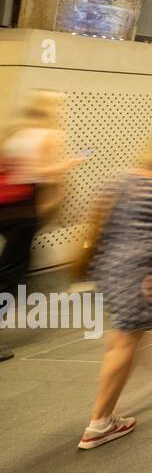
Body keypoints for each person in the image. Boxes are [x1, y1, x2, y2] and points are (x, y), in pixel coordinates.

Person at [78, 125, 152, 449]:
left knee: (124, 336)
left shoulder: (122, 178)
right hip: (148, 273)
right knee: (124, 342)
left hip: (110, 267)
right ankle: (100, 423)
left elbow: (98, 219)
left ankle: (112, 409)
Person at [0, 90, 83, 363]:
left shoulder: (16, 133)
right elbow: (42, 172)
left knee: (14, 268)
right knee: (11, 274)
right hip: (24, 209)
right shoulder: (49, 135)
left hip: (6, 207)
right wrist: (69, 163)